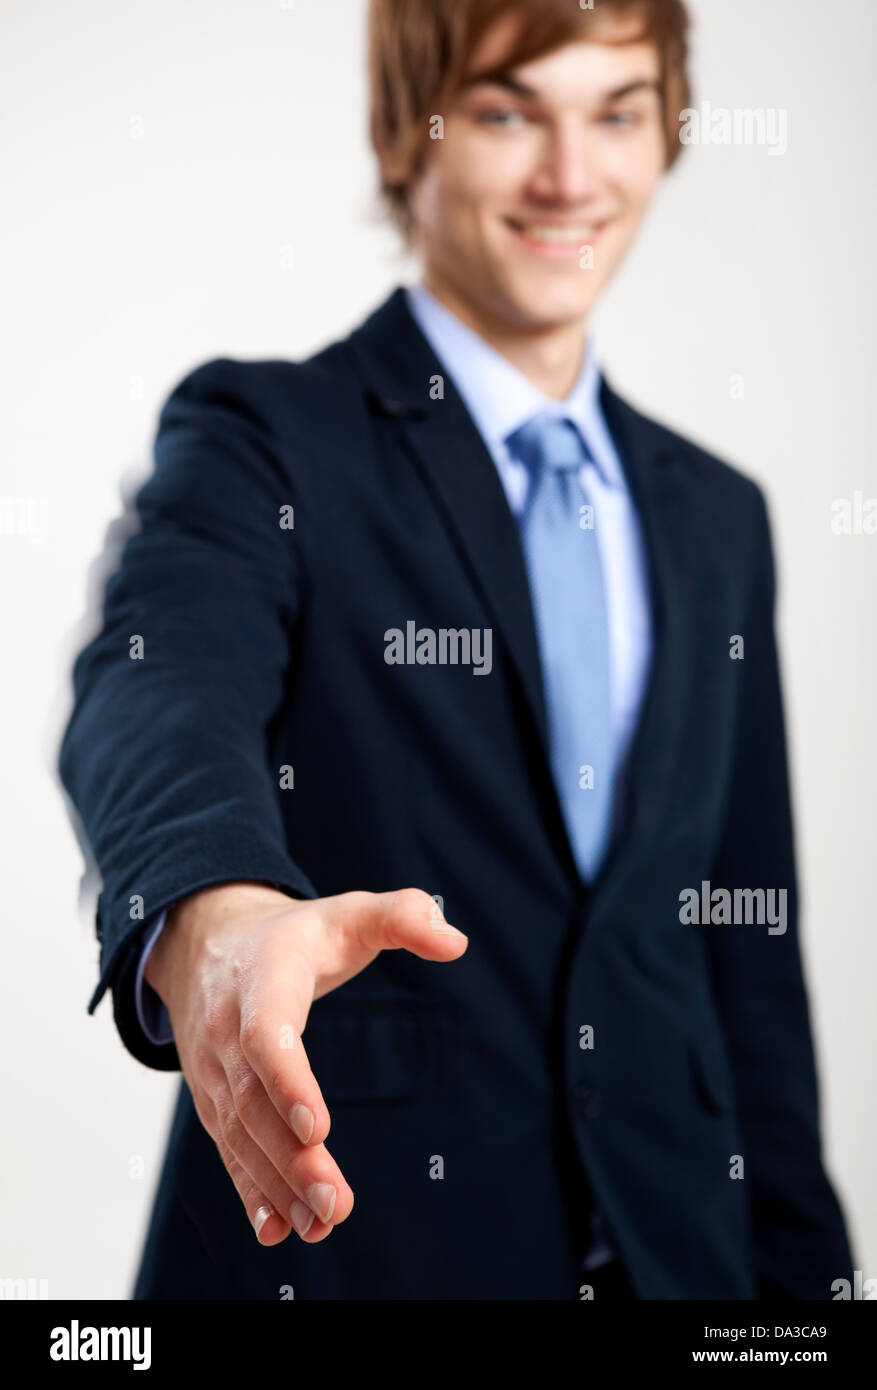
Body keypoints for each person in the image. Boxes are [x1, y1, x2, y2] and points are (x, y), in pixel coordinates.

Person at [58, 0, 854, 1300]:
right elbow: (156, 684)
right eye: (505, 111)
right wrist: (211, 913)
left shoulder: (719, 515)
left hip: (681, 1266)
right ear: (401, 134)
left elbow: (744, 955)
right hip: (359, 1257)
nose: (569, 174)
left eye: (618, 112)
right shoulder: (265, 437)